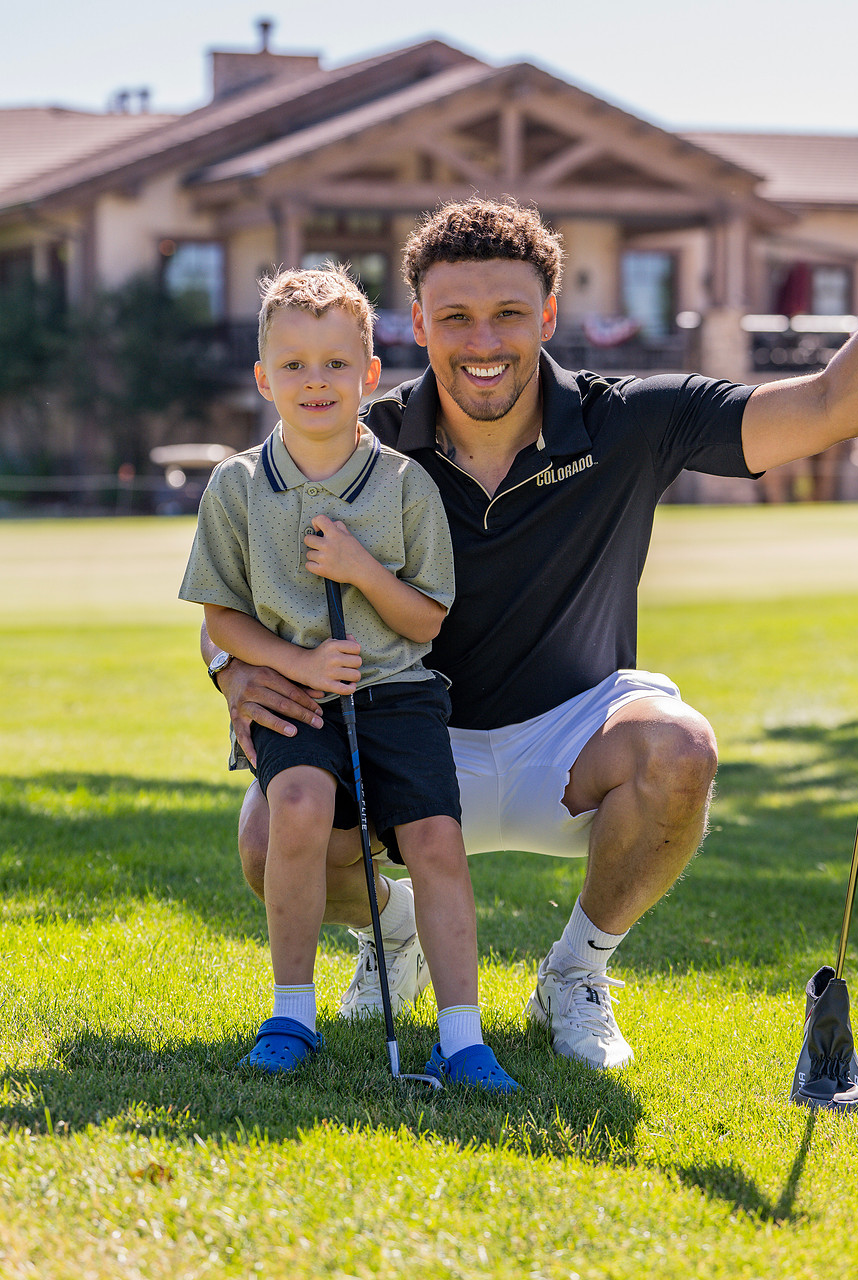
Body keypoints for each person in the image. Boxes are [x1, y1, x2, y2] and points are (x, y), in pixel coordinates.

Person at [203, 200, 858, 1071]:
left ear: (548, 314)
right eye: (455, 317)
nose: (483, 341)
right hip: (409, 735)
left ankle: (574, 974)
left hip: (573, 734)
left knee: (680, 748)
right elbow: (237, 568)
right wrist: (228, 671)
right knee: (268, 836)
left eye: (509, 313)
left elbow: (836, 404)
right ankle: (397, 933)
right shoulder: (362, 439)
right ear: (418, 322)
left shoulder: (630, 419)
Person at [182, 262, 518, 1091]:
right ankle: (292, 1015)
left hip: (398, 692)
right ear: (264, 378)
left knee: (437, 841)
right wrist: (293, 661)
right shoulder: (235, 487)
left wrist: (362, 568)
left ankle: (463, 1036)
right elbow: (220, 618)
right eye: (293, 365)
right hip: (295, 695)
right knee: (296, 806)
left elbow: (426, 619)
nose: (315, 381)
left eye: (336, 363)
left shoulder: (404, 485)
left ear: (369, 374)